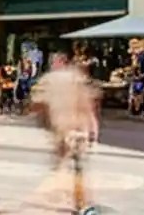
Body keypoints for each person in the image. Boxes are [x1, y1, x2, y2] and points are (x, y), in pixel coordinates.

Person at [30, 53, 98, 213]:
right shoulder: (76, 77)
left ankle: (61, 202)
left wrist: (43, 121)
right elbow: (88, 103)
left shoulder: (48, 80)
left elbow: (37, 104)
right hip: (78, 127)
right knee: (78, 167)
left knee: (60, 166)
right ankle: (80, 202)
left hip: (61, 128)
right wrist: (93, 126)